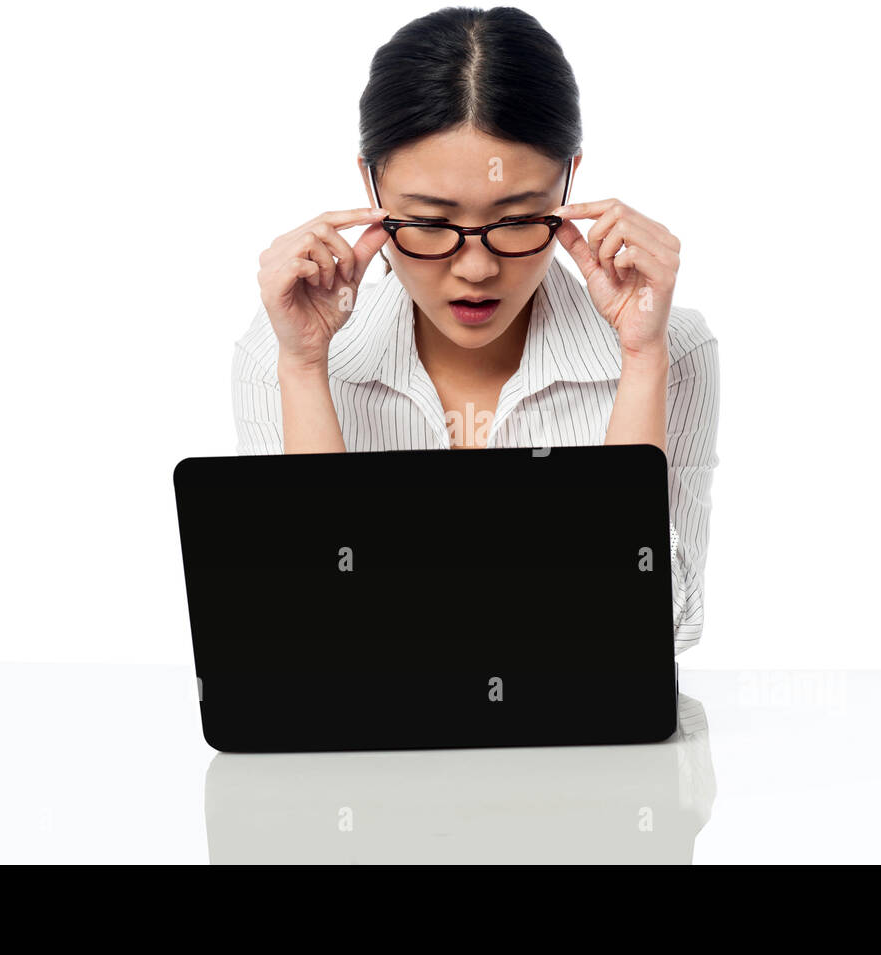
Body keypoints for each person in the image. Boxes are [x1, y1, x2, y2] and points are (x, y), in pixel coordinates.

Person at [233, 6, 719, 654]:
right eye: (430, 222)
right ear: (370, 186)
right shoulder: (280, 352)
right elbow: (312, 637)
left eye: (517, 219)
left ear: (569, 183)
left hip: (588, 755)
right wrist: (302, 371)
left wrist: (640, 358)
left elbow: (654, 630)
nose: (477, 268)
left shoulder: (669, 349)